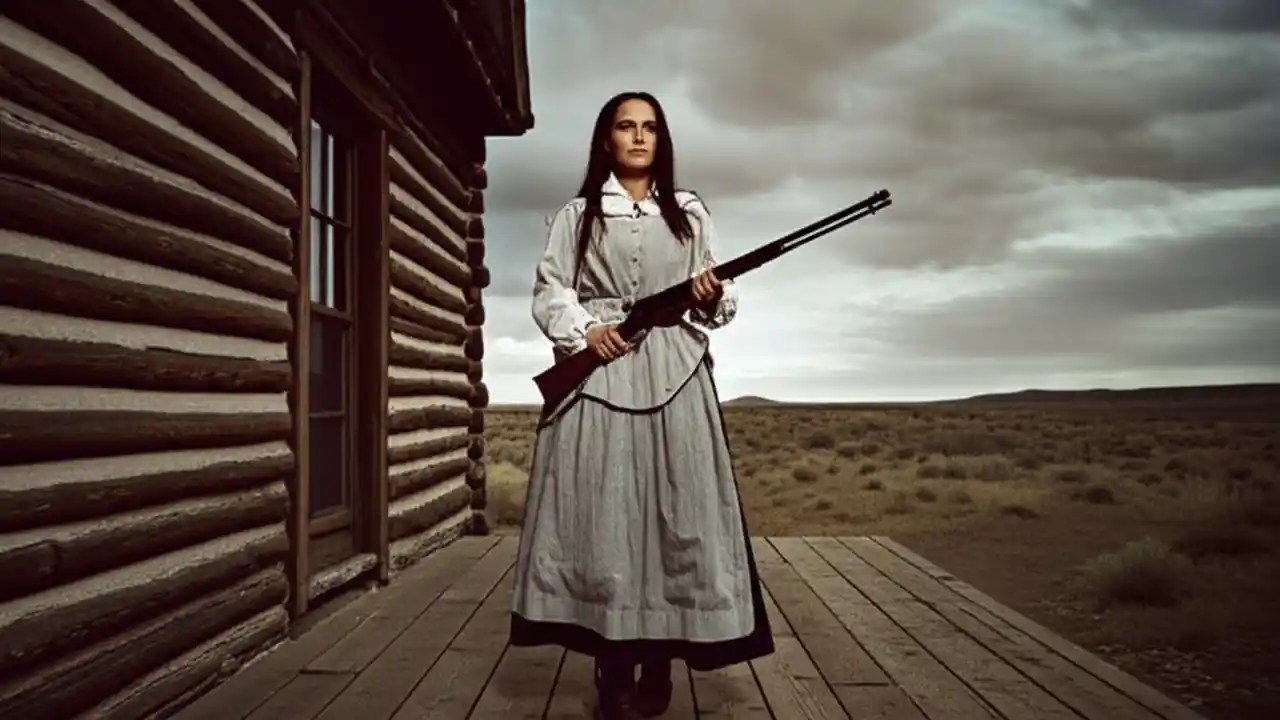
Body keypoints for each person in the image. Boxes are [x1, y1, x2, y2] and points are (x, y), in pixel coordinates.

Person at [508, 90, 774, 719]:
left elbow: (723, 303)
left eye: (650, 127)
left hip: (677, 374)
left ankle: (660, 656)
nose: (638, 137)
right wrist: (586, 332)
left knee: (674, 514)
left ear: (662, 140)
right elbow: (550, 293)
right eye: (625, 126)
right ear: (606, 140)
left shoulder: (689, 213)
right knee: (604, 517)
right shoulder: (577, 215)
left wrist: (707, 296)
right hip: (599, 371)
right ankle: (613, 661)